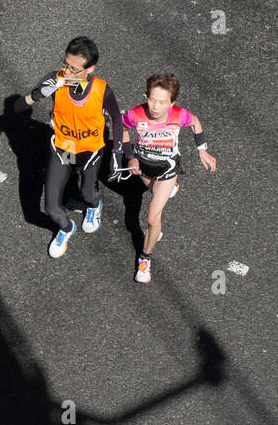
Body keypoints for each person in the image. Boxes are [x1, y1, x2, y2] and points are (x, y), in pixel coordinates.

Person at [16, 35, 124, 258]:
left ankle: (94, 206)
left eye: (74, 69)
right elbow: (18, 107)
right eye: (65, 64)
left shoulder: (102, 90)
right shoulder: (55, 80)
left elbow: (116, 117)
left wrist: (118, 150)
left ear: (90, 69)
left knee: (88, 193)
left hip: (89, 151)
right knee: (51, 208)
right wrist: (38, 94)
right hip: (64, 148)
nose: (66, 72)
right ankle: (66, 228)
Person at [112, 73, 218, 284]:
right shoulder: (135, 114)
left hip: (167, 169)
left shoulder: (179, 115)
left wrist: (202, 150)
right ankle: (170, 192)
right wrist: (130, 157)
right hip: (143, 168)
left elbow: (195, 122)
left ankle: (145, 257)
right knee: (154, 194)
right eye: (152, 99)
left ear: (172, 103)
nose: (155, 106)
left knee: (151, 218)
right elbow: (122, 128)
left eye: (162, 102)